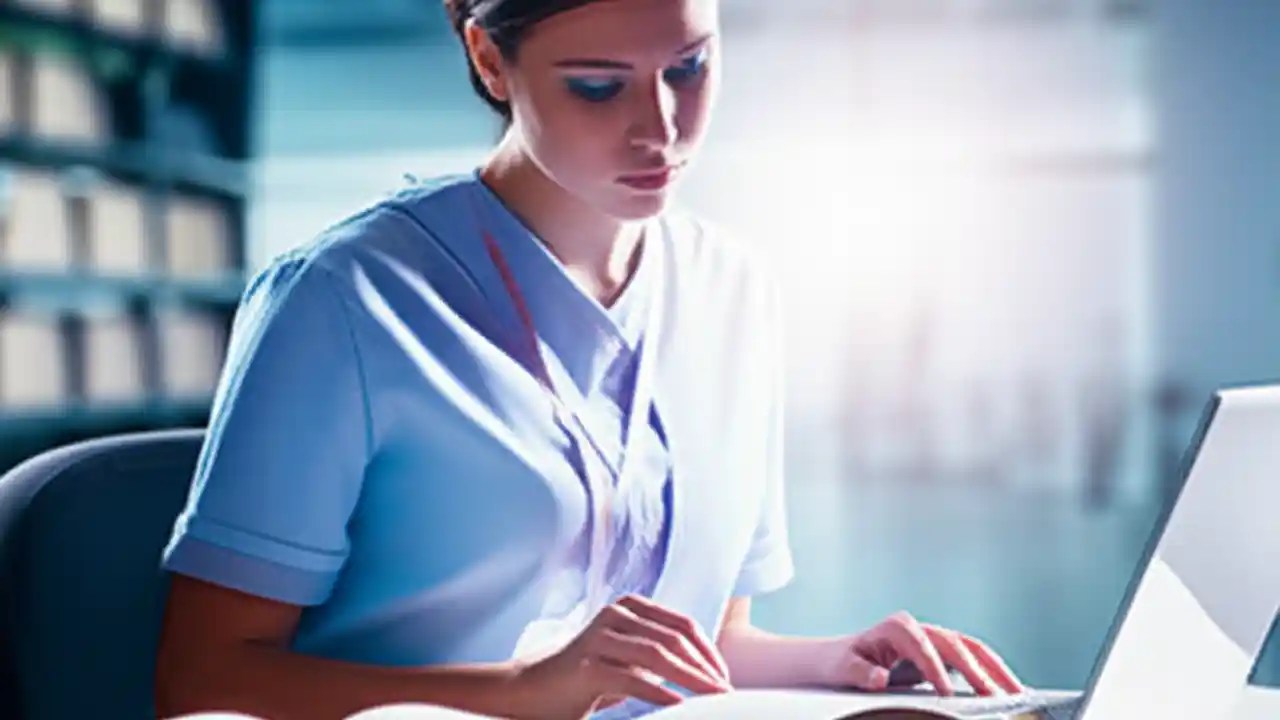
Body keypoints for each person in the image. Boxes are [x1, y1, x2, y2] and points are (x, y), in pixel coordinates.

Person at [153, 1, 1026, 718]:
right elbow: (205, 683)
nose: (664, 130)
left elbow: (701, 646)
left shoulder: (732, 291)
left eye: (690, 68)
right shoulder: (343, 300)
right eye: (600, 88)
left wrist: (842, 661)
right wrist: (523, 694)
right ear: (491, 64)